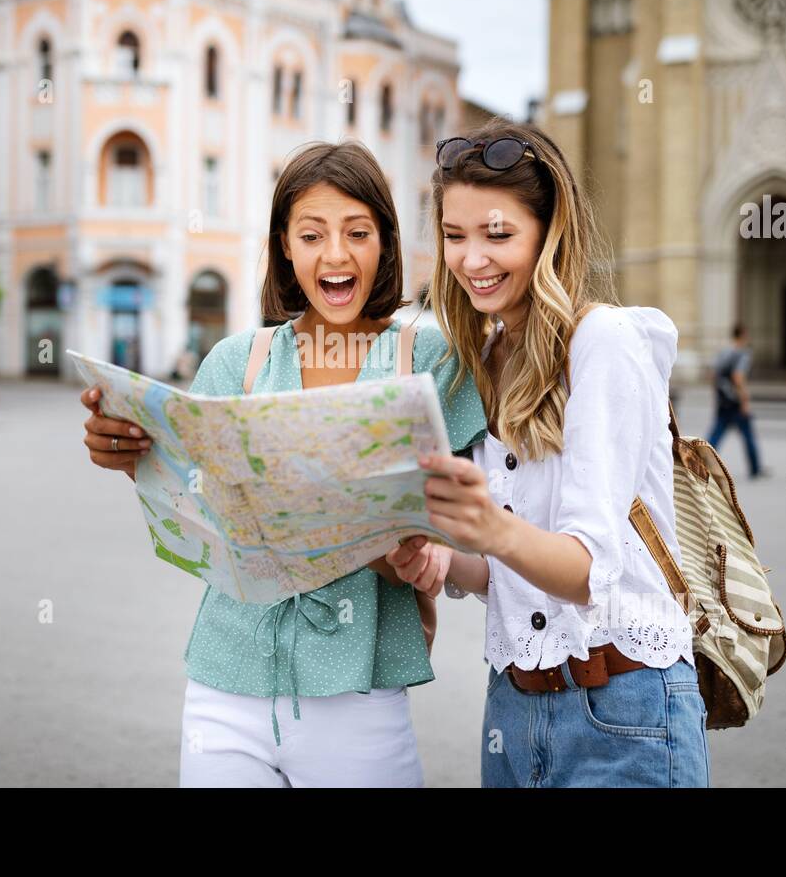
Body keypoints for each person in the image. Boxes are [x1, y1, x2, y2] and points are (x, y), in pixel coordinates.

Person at [79, 141, 486, 787]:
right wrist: (130, 455)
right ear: (284, 247)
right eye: (311, 234)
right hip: (225, 682)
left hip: (359, 695)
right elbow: (196, 504)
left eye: (358, 232)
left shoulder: (433, 359)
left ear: (385, 240)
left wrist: (434, 551)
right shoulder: (236, 361)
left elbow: (486, 507)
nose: (335, 254)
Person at [384, 120, 709, 788]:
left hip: (624, 713)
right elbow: (510, 576)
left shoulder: (605, 342)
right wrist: (444, 558)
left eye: (497, 234)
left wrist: (487, 527)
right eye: (454, 235)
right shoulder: (480, 358)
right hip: (511, 711)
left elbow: (586, 571)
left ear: (548, 232)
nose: (472, 258)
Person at [707, 323, 768, 478]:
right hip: (735, 400)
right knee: (748, 435)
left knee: (716, 434)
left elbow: (713, 375)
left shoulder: (724, 352)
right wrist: (744, 400)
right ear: (743, 335)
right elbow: (738, 376)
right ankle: (755, 468)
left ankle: (701, 462)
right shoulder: (742, 353)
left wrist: (719, 394)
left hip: (723, 400)